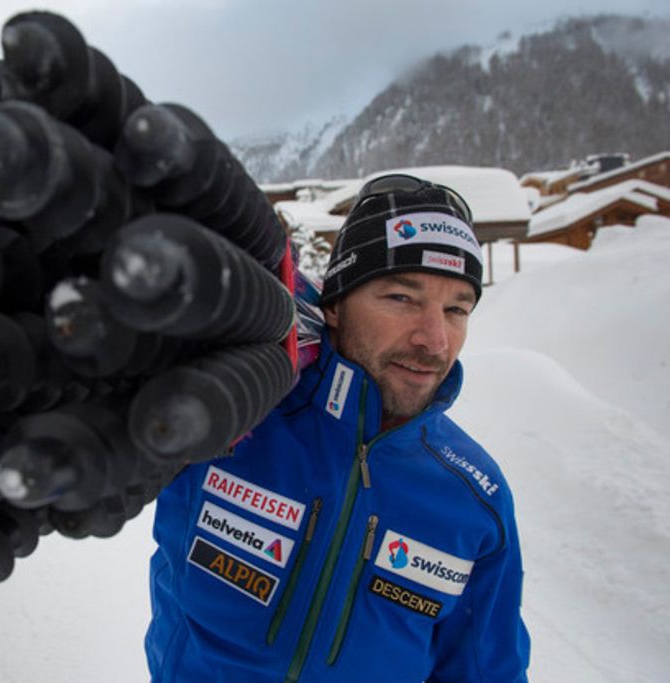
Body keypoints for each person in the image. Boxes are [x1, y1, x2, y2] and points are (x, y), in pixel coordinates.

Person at [144, 174, 531, 682]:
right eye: (401, 298)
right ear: (334, 304)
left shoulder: (475, 498)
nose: (434, 340)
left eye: (456, 308)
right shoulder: (236, 412)